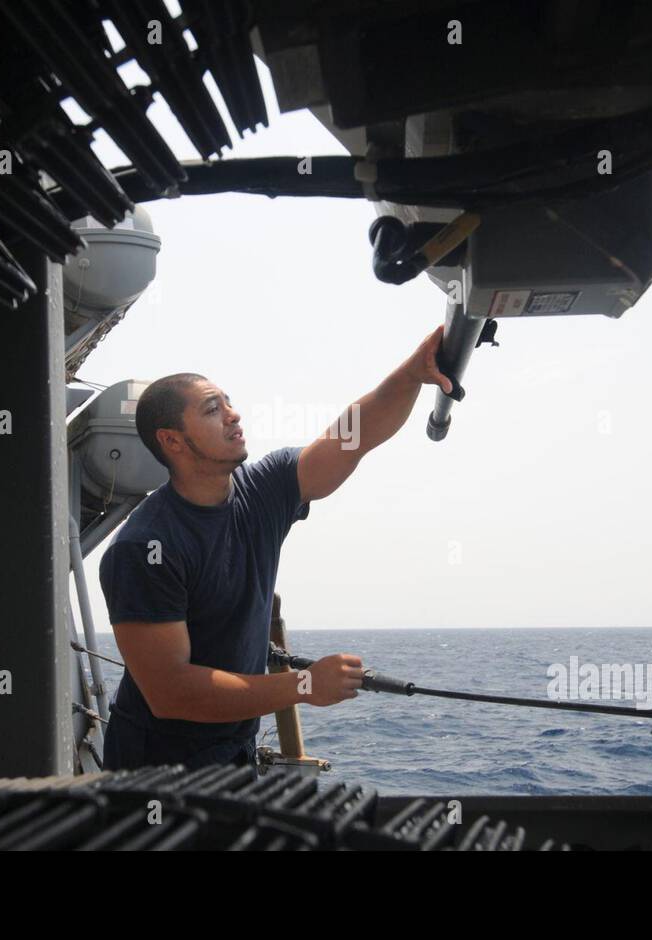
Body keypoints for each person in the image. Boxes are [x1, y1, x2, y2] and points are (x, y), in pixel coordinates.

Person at [98, 326, 456, 770]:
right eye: (213, 409)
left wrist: (412, 374)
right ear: (172, 441)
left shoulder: (263, 489)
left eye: (229, 402)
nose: (233, 415)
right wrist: (305, 685)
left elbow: (351, 437)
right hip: (155, 768)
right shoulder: (143, 547)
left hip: (233, 751)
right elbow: (172, 692)